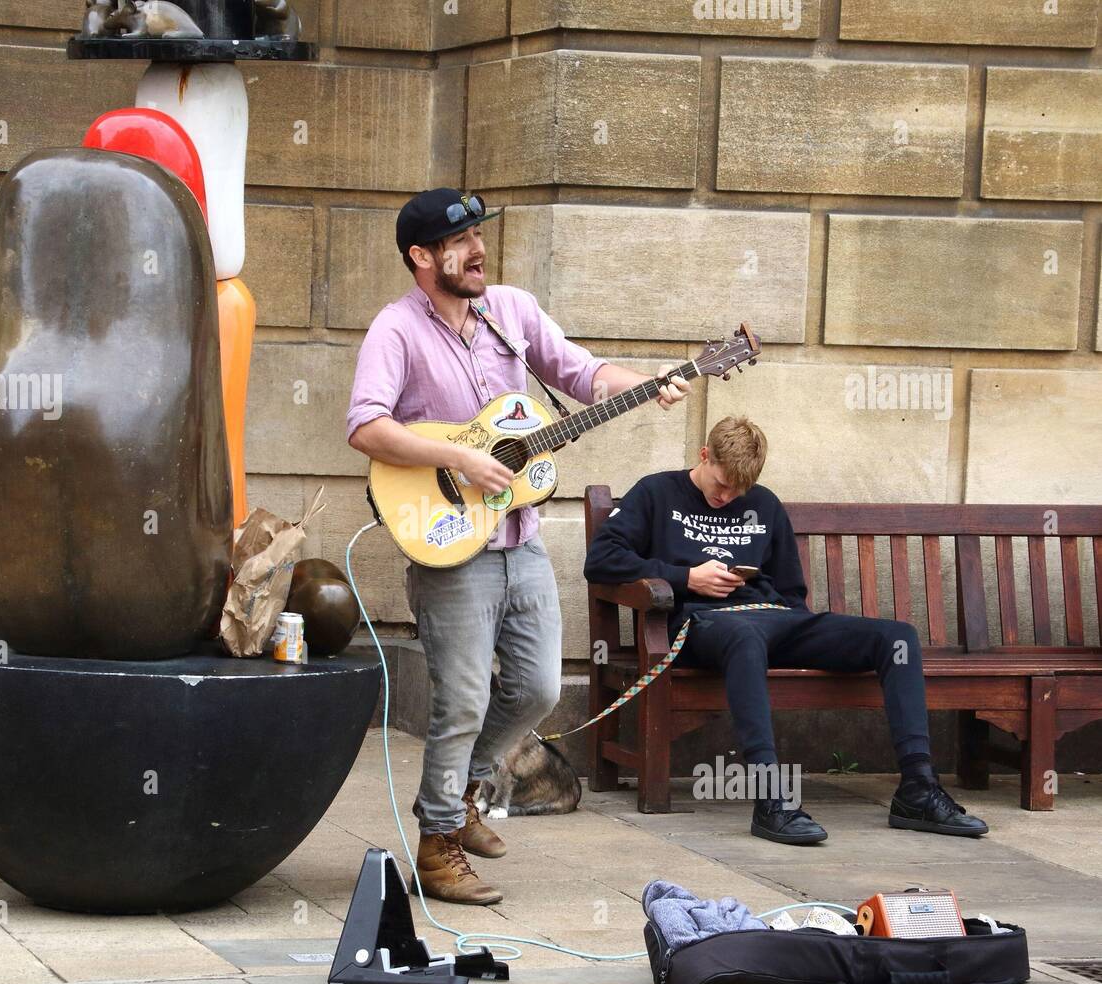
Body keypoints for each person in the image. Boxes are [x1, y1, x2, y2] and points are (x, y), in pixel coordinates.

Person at [346, 188, 691, 903]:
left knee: (534, 687)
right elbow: (366, 427)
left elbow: (580, 373)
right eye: (460, 242)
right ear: (421, 257)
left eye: (478, 236)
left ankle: (461, 794)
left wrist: (647, 382)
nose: (478, 251)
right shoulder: (396, 331)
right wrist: (462, 460)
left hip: (520, 536)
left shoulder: (511, 313)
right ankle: (439, 848)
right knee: (462, 699)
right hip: (449, 543)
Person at [583, 414, 989, 845]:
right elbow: (601, 561)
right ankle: (772, 798)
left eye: (739, 490)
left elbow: (792, 591)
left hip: (775, 621)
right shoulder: (656, 492)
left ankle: (918, 790)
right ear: (704, 455)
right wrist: (687, 578)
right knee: (744, 637)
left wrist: (794, 627)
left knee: (898, 637)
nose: (727, 496)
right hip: (705, 625)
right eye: (721, 484)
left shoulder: (765, 503)